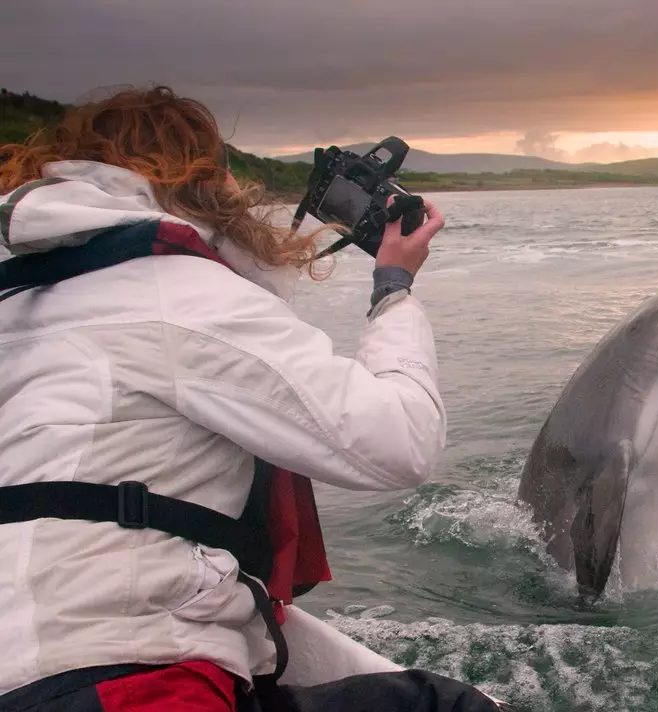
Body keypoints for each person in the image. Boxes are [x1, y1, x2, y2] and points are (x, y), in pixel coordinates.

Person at [0, 86, 509, 711]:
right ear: (196, 179)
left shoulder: (20, 303)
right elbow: (398, 442)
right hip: (123, 683)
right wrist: (394, 289)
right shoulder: (177, 294)